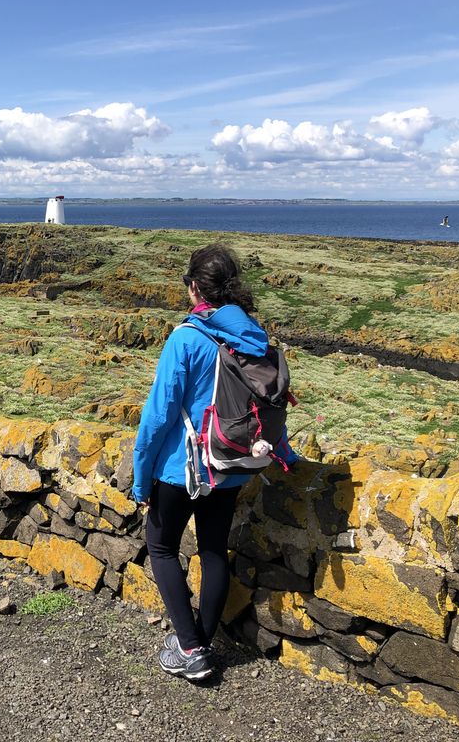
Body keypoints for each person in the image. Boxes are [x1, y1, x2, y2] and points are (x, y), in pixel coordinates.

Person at [132, 243, 297, 682]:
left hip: (180, 469)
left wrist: (140, 479)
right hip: (231, 465)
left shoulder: (186, 338)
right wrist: (284, 452)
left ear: (193, 288)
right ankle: (201, 644)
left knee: (161, 547)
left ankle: (190, 647)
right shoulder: (253, 337)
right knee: (212, 551)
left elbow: (157, 417)